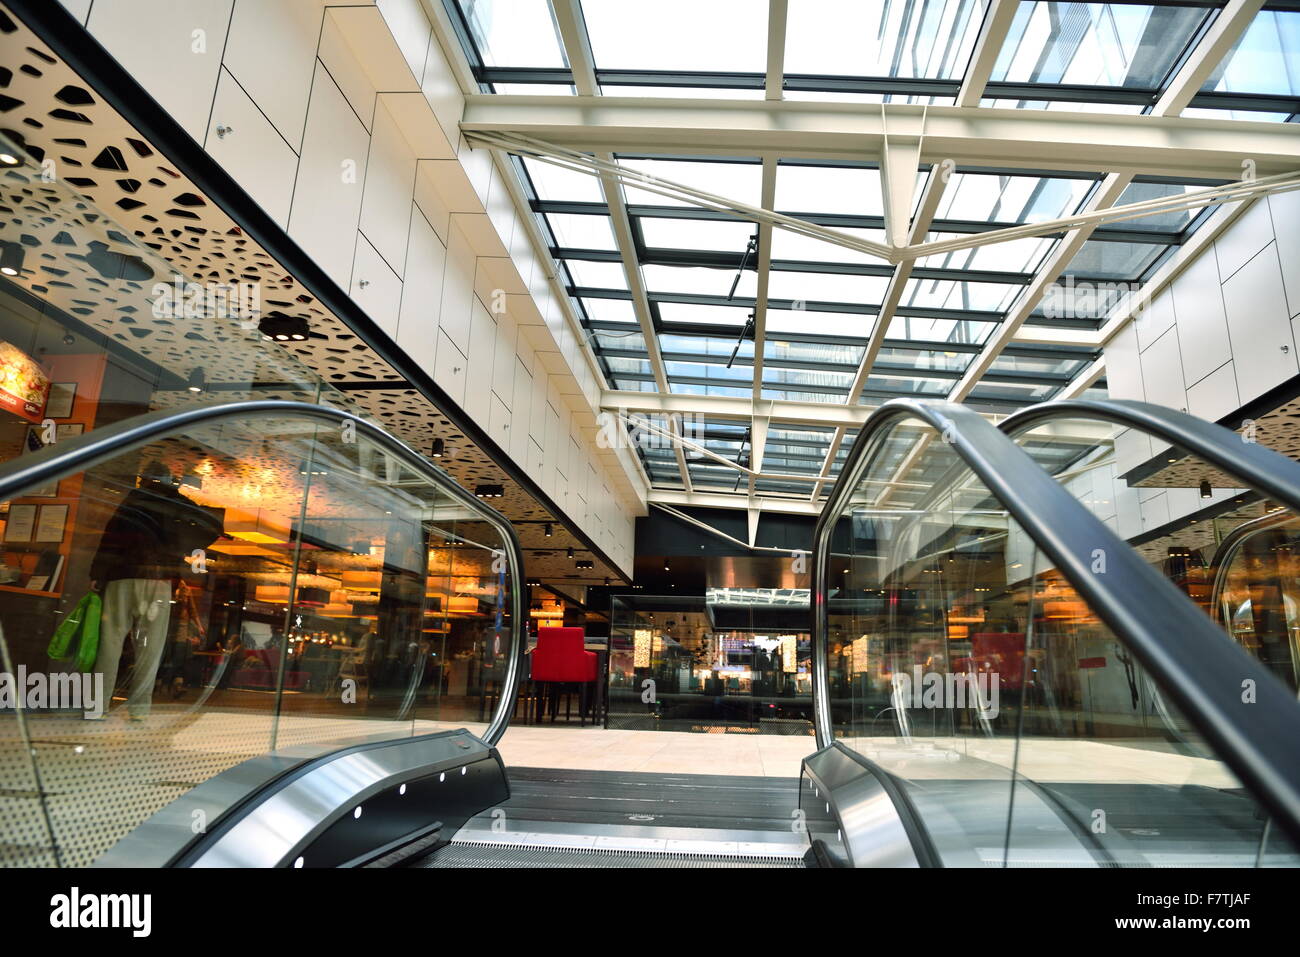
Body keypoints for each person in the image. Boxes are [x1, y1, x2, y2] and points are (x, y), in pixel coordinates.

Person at [88, 460, 224, 720]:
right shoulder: (176, 502)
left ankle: (97, 707)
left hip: (121, 578)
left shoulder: (131, 500)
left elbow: (110, 539)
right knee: (150, 650)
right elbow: (214, 525)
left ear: (144, 479)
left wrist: (97, 574)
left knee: (110, 644)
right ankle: (139, 711)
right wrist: (181, 547)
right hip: (159, 580)